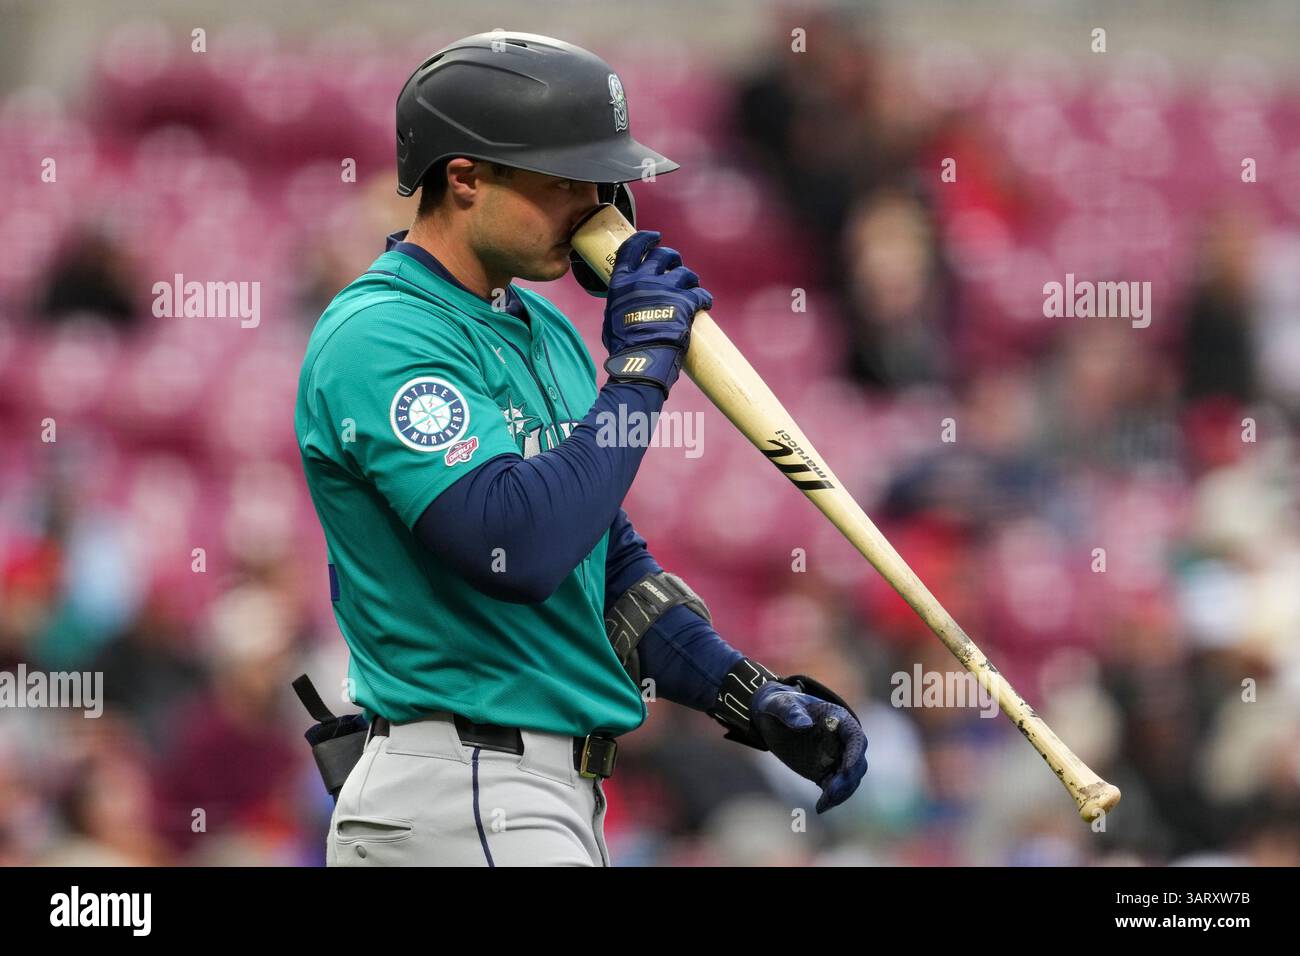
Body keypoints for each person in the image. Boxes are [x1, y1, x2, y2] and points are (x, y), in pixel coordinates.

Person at [293, 31, 867, 867]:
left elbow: (606, 569)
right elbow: (515, 547)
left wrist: (747, 693)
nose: (598, 204)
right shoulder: (382, 333)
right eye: (566, 178)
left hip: (529, 798)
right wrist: (638, 376)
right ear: (465, 177)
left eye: (605, 179)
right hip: (467, 783)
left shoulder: (547, 331)